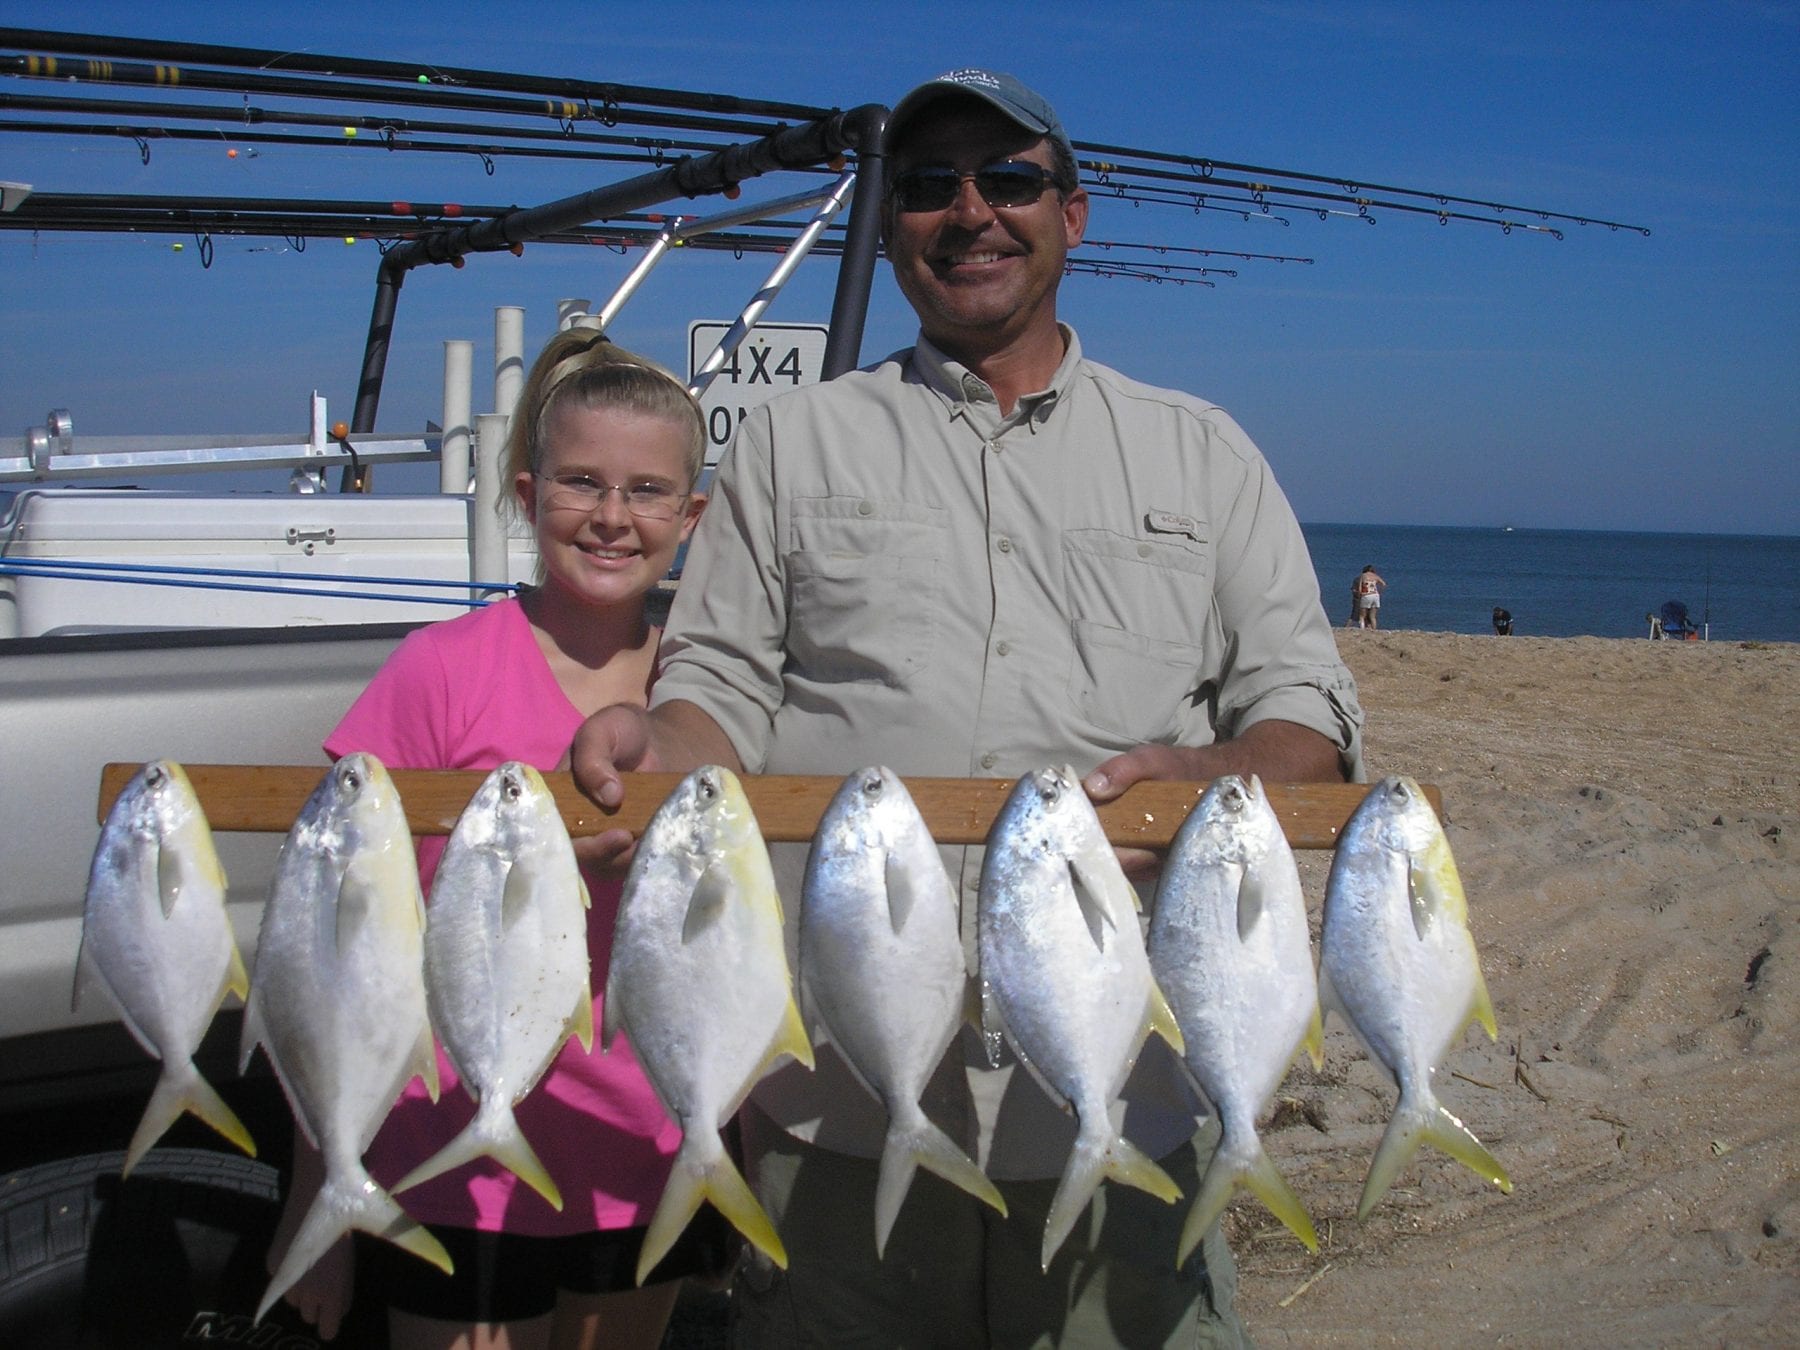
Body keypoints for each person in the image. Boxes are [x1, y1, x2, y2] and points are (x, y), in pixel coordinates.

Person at [571, 69, 1364, 1349]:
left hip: (1129, 1098)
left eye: (1009, 179)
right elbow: (717, 691)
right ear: (889, 230)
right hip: (837, 1104)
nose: (971, 210)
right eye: (930, 184)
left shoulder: (1205, 453)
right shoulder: (786, 444)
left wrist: (1202, 775)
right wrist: (652, 748)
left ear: (1073, 216)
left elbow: (1305, 722)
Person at [272, 331, 721, 1349]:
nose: (612, 517)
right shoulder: (437, 672)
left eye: (648, 492)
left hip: (650, 1158)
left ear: (691, 516)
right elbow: (330, 961)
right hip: (447, 1163)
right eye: (580, 482)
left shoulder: (707, 696)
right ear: (526, 494)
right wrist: (318, 1193)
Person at [1353, 564, 1386, 629]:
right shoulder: (1375, 576)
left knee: (1362, 615)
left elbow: (1360, 588)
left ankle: (1362, 629)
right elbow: (1383, 584)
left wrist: (1359, 595)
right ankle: (1374, 630)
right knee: (1373, 616)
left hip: (1366, 595)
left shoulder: (1363, 575)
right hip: (1375, 595)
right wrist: (1380, 591)